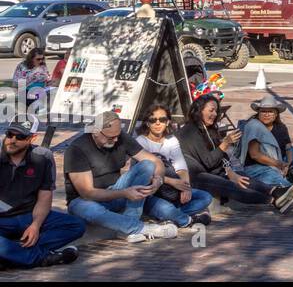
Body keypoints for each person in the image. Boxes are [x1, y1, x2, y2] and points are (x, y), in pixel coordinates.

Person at [177, 94, 293, 212]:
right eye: (211, 110)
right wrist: (225, 144)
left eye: (216, 111)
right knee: (230, 185)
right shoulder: (190, 131)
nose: (215, 114)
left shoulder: (208, 129)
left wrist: (230, 172)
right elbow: (208, 162)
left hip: (212, 170)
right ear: (199, 110)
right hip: (195, 176)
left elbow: (222, 157)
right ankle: (273, 201)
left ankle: (276, 191)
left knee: (241, 176)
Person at [64, 110, 173, 242]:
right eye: (111, 137)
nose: (115, 140)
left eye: (117, 135)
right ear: (96, 132)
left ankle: (127, 227)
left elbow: (156, 161)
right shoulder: (77, 149)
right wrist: (124, 193)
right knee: (91, 210)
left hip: (116, 191)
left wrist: (158, 180)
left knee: (147, 165)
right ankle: (140, 228)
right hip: (84, 201)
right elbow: (88, 193)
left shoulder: (120, 137)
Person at [0, 116, 84, 268]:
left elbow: (45, 196)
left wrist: (35, 226)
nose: (12, 140)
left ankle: (10, 256)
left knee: (76, 225)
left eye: (20, 136)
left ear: (32, 138)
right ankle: (41, 258)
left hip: (28, 216)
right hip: (2, 220)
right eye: (9, 134)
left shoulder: (43, 157)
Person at [134, 106, 212, 227]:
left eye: (162, 119)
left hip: (172, 192)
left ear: (168, 122)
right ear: (147, 123)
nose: (158, 123)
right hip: (151, 192)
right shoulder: (141, 141)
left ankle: (170, 217)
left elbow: (181, 167)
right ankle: (187, 219)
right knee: (166, 208)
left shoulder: (172, 140)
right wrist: (172, 182)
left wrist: (185, 188)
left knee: (205, 197)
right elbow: (143, 174)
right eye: (153, 120)